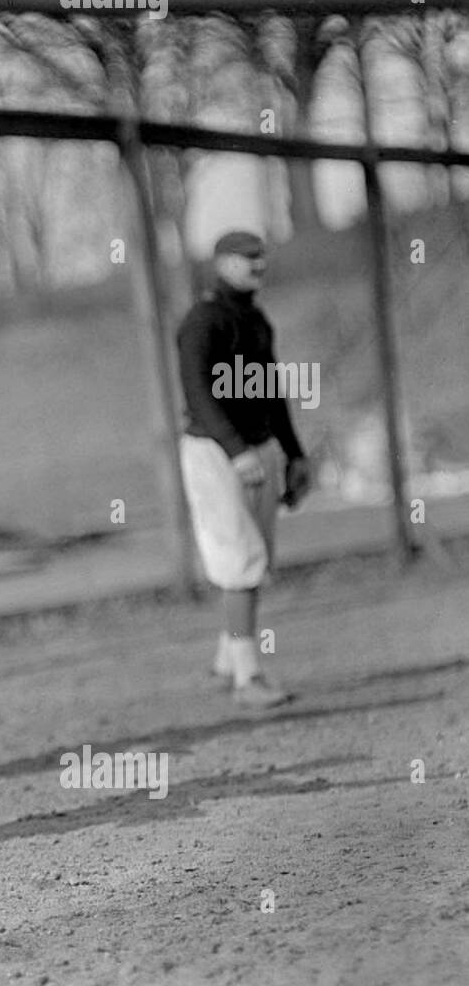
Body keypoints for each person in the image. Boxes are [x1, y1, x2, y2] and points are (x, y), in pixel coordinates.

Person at [176, 230, 312, 709]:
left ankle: (224, 661)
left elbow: (271, 392)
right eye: (246, 257)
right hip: (216, 452)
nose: (258, 264)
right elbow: (199, 394)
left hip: (256, 449)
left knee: (255, 560)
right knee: (241, 561)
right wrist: (236, 449)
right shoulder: (203, 321)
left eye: (261, 255)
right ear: (221, 263)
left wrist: (295, 454)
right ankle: (247, 678)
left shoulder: (254, 319)